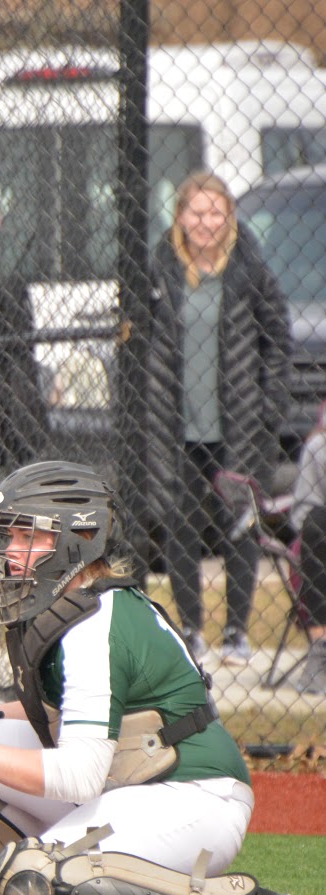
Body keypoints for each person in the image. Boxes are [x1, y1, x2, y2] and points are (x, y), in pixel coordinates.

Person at [0, 459, 296, 895]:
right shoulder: (73, 609)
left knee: (32, 875)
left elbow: (78, 773)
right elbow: (64, 715)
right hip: (135, 780)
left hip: (193, 795)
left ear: (77, 537)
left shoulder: (94, 622)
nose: (10, 552)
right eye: (8, 536)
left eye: (24, 535)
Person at [144, 172, 292, 663]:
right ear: (180, 217)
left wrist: (269, 406)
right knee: (179, 524)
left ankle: (236, 635)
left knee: (241, 525)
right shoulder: (161, 270)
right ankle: (191, 632)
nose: (205, 222)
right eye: (196, 212)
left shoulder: (249, 267)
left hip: (239, 427)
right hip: (178, 426)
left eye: (215, 212)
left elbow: (278, 338)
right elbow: (141, 343)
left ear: (228, 217)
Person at [291, 401, 326, 693]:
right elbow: (304, 511)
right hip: (318, 530)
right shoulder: (319, 445)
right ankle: (320, 648)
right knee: (316, 526)